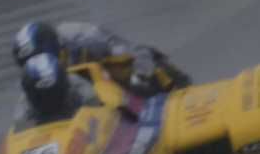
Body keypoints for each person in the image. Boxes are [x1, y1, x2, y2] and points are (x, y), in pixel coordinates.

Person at [12, 19, 188, 95]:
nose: (38, 66)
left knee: (139, 73)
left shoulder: (86, 38)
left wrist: (141, 75)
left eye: (39, 59)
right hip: (87, 103)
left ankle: (182, 94)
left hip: (119, 81)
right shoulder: (35, 77)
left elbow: (139, 52)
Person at [16, 52, 98, 129]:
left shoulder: (78, 86)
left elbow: (95, 104)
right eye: (42, 95)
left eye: (52, 92)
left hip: (74, 115)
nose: (48, 97)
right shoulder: (23, 108)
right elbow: (20, 124)